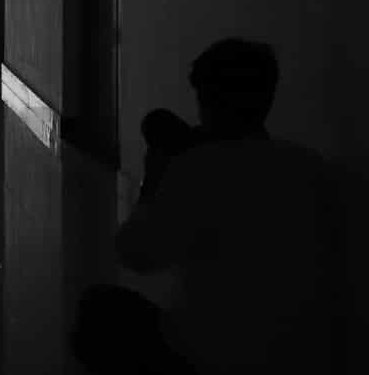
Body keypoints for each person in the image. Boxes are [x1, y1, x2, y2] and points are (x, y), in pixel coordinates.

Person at [73, 38, 341, 375]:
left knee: (98, 309)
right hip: (301, 358)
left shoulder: (196, 168)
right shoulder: (306, 164)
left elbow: (134, 252)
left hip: (209, 359)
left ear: (207, 100)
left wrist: (155, 177)